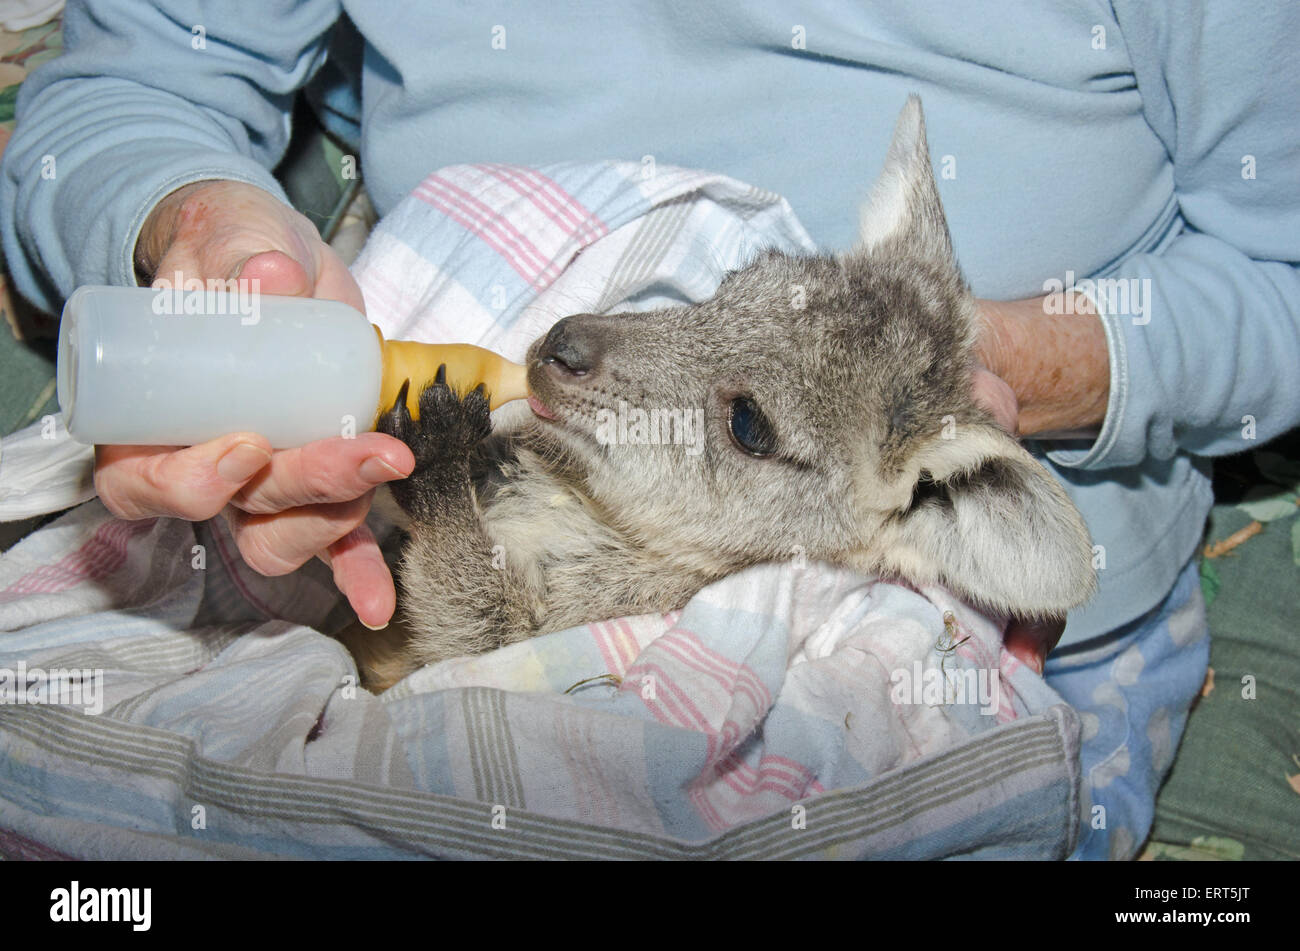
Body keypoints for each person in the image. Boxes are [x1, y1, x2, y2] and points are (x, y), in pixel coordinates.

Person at [2, 1, 1297, 859]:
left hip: (949, 565)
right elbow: (142, 77)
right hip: (409, 452)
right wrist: (205, 236)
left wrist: (1010, 362)